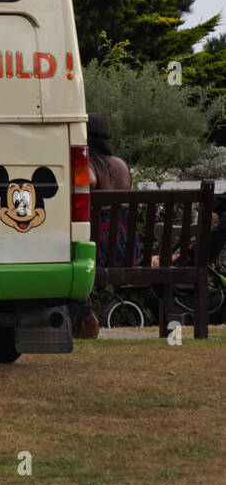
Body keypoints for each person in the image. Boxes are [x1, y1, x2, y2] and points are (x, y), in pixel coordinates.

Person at [80, 111, 135, 337]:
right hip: (126, 248)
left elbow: (91, 180)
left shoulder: (88, 163)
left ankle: (82, 317)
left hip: (99, 250)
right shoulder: (121, 165)